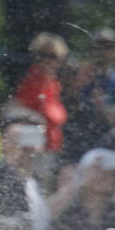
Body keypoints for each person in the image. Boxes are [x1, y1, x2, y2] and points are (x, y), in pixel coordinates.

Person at [11, 32, 68, 179]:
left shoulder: (54, 83)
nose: (47, 61)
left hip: (50, 148)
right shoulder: (31, 80)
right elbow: (13, 108)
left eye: (52, 56)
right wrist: (34, 117)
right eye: (43, 55)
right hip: (32, 148)